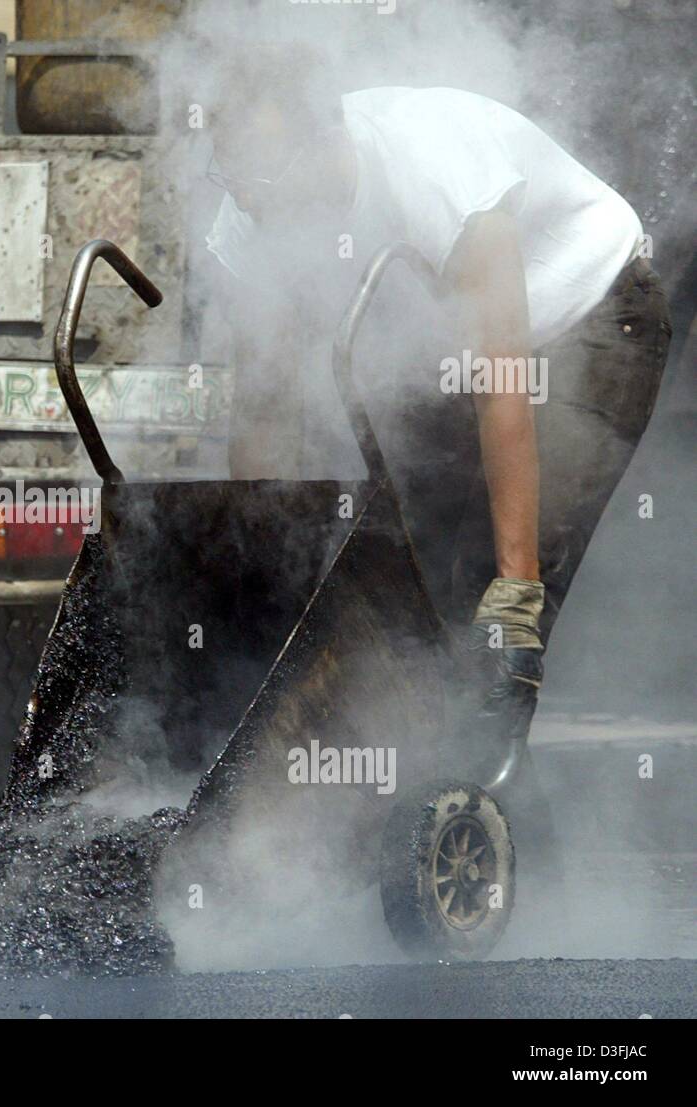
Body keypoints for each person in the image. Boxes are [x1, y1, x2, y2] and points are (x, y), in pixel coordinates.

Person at [202, 48, 672, 775]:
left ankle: (465, 799)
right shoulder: (249, 206)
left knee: (489, 590)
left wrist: (516, 594)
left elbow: (503, 387)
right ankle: (372, 784)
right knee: (401, 560)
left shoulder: (435, 175)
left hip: (589, 316)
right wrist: (265, 588)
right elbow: (263, 413)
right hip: (446, 347)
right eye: (235, 182)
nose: (252, 203)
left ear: (325, 144)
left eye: (264, 180)